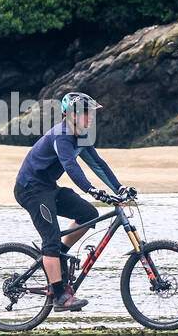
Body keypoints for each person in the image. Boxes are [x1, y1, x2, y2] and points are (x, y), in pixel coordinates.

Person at [13, 92, 137, 312]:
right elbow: (70, 165)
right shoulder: (62, 135)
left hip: (48, 187)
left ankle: (59, 254)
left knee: (89, 214)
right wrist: (91, 189)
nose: (90, 118)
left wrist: (119, 188)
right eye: (86, 113)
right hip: (31, 190)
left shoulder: (81, 135)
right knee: (49, 241)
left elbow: (97, 164)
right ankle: (59, 296)